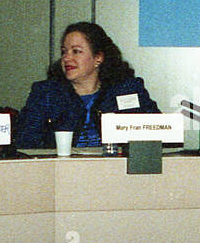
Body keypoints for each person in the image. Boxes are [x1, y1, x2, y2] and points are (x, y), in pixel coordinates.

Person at [16, 22, 160, 149]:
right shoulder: (46, 93)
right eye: (64, 52)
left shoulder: (127, 90)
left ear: (98, 58)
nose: (66, 58)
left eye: (76, 51)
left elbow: (160, 134)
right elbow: (24, 142)